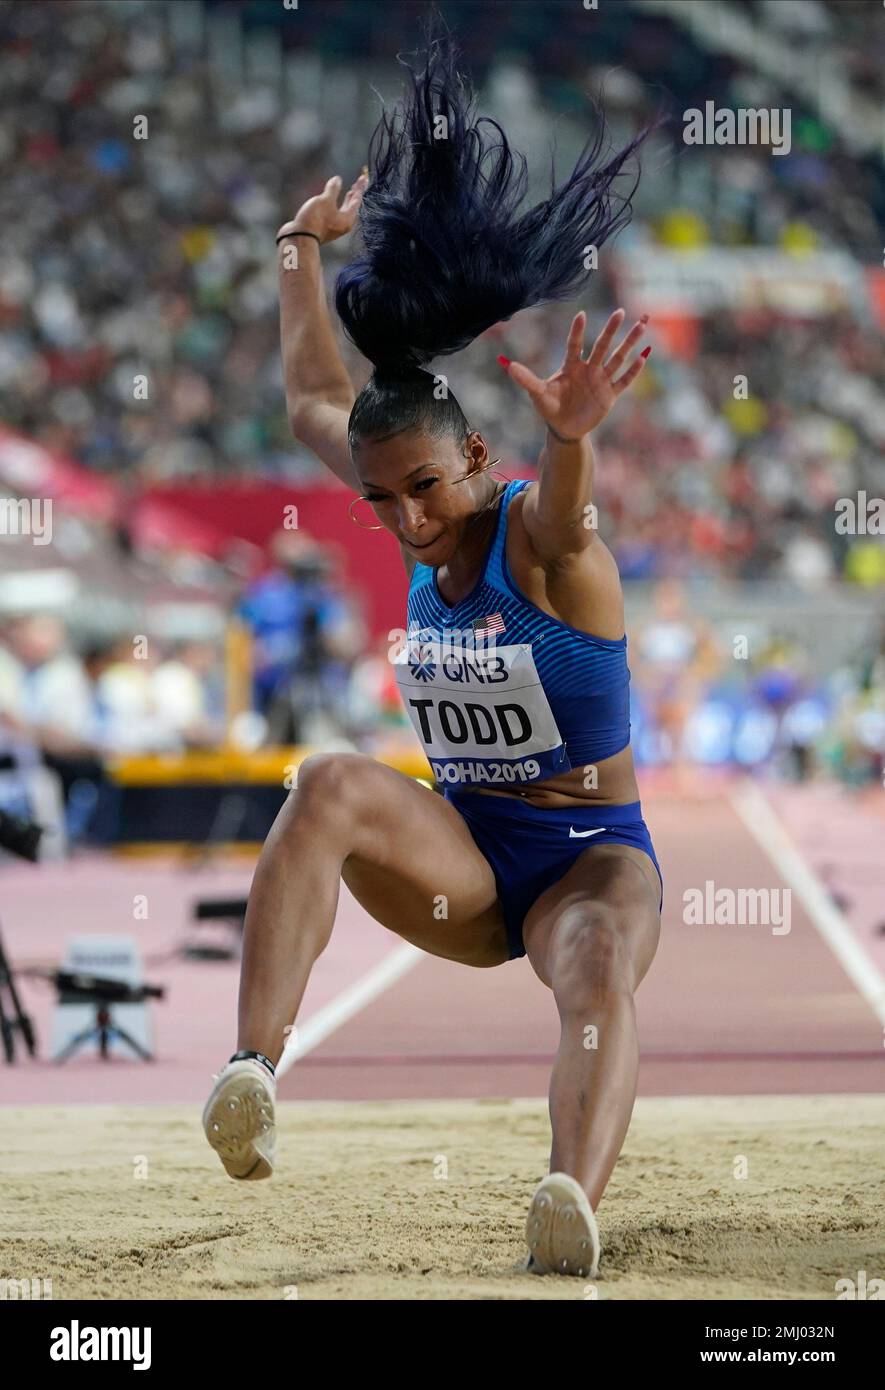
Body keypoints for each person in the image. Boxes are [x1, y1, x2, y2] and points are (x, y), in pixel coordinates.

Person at [203, 33, 663, 1280]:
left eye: (422, 491)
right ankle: (250, 1070)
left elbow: (567, 514)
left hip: (588, 859)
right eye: (379, 502)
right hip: (464, 857)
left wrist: (571, 442)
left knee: (597, 966)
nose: (407, 521)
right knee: (328, 784)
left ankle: (569, 1194)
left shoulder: (541, 533)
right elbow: (315, 395)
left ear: (476, 459)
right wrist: (298, 251)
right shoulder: (398, 483)